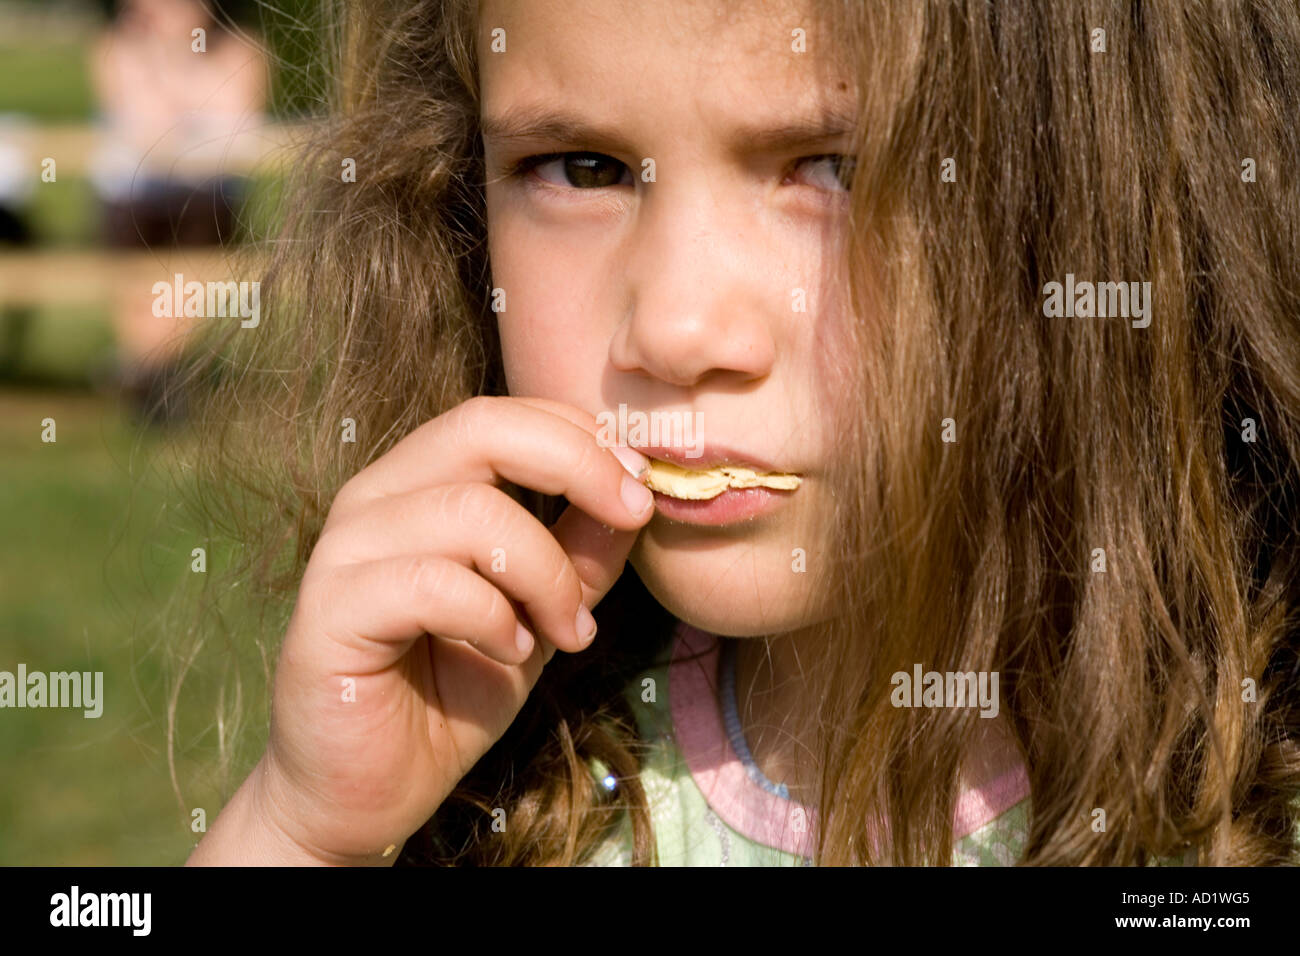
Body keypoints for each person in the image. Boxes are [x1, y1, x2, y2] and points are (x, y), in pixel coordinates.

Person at [182, 0, 1300, 866]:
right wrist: (302, 827)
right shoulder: (517, 769)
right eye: (584, 168)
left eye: (831, 165)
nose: (674, 327)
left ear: (1098, 196)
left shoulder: (1244, 797)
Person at [88, 0, 267, 423]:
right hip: (134, 196)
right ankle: (158, 374)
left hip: (205, 196)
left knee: (183, 284)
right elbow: (142, 125)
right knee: (142, 285)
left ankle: (151, 373)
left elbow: (237, 125)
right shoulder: (116, 48)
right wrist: (168, 61)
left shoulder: (242, 49)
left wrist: (172, 64)